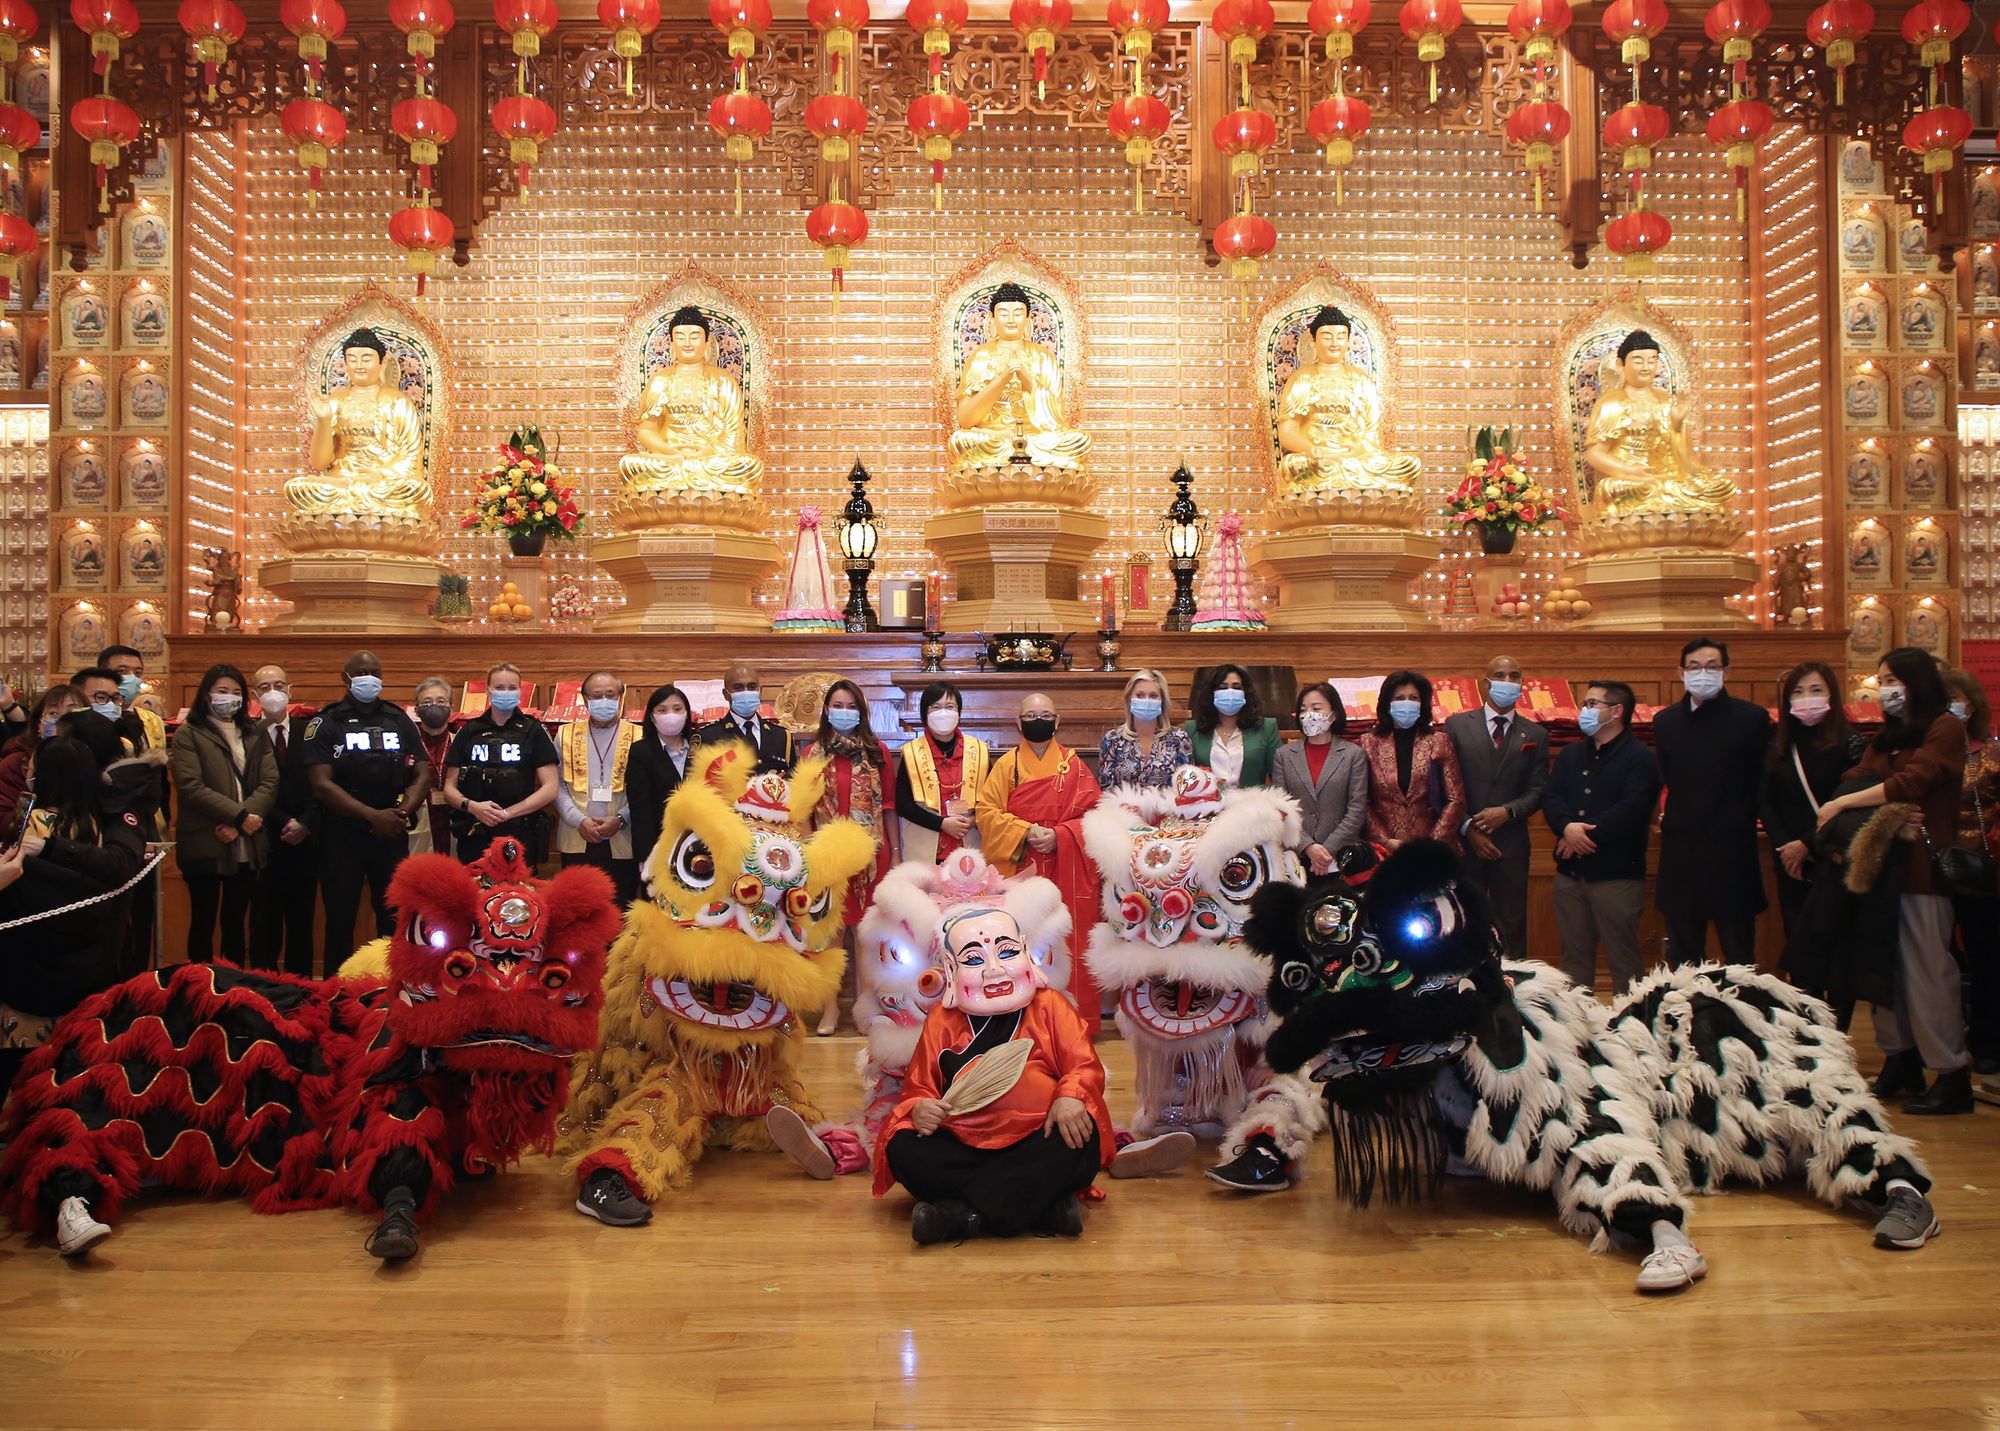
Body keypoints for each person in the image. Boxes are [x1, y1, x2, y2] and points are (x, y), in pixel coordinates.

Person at [872, 903, 1114, 1243]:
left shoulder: (1050, 1007)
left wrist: (1070, 1096)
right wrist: (922, 1108)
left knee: (1078, 1138)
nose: (994, 970)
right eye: (974, 959)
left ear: (1026, 950)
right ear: (951, 967)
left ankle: (961, 1217)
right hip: (964, 1142)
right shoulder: (943, 1020)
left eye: (1007, 952)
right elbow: (919, 1089)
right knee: (903, 1146)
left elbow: (1083, 1065)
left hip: (1036, 1138)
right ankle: (1041, 1208)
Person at [1817, 652, 1971, 1114]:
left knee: (1927, 974)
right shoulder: (1890, 735)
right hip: (1880, 870)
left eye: (1894, 680)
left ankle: (1950, 1072)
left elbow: (1913, 782)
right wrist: (1868, 796)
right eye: (1881, 680)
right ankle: (1900, 1059)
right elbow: (1858, 776)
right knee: (1882, 970)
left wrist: (1845, 805)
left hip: (1921, 872)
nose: (1886, 688)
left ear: (1918, 682)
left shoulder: (1944, 726)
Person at [0, 734, 147, 1089]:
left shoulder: (35, 825)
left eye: (32, 770)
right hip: (92, 965)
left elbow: (26, 890)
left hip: (29, 968)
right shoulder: (104, 822)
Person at [976, 693, 1105, 1034]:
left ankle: (1072, 1023)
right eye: (1030, 715)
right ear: (1018, 723)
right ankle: (1022, 1022)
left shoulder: (1073, 765)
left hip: (1065, 865)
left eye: (1045, 714)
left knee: (1066, 939)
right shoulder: (1006, 766)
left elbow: (1095, 815)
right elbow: (986, 813)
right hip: (1022, 868)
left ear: (1057, 721)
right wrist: (1024, 830)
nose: (1038, 720)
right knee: (1022, 940)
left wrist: (1061, 834)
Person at [303, 650, 431, 964]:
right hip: (342, 831)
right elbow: (321, 783)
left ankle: (390, 986)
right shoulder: (327, 721)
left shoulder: (397, 718)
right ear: (345, 678)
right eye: (360, 673)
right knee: (340, 917)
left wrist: (402, 811)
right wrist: (372, 816)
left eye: (374, 672)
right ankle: (338, 992)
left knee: (392, 917)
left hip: (391, 828)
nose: (368, 678)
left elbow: (423, 770)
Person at [1652, 636, 1771, 967]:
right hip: (1682, 851)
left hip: (1732, 850)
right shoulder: (1666, 722)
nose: (1702, 673)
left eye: (1711, 666)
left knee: (1739, 954)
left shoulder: (1751, 719)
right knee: (1684, 956)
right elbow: (1667, 779)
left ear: (1726, 672)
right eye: (1694, 667)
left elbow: (1762, 781)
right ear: (1681, 672)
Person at [1543, 680, 1663, 996]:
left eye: (1593, 703)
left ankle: (1632, 1030)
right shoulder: (1570, 754)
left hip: (1617, 875)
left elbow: (1633, 809)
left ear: (1617, 711)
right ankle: (1577, 1028)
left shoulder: (1640, 758)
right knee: (1574, 958)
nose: (1585, 709)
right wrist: (1567, 827)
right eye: (1585, 703)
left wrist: (1581, 833)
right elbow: (1552, 797)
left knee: (1624, 959)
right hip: (1570, 874)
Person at [169, 663, 278, 967]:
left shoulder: (254, 733)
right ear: (206, 695)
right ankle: (200, 986)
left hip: (247, 841)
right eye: (221, 691)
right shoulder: (189, 734)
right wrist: (239, 816)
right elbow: (191, 786)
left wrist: (242, 824)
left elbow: (270, 782)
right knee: (203, 921)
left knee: (236, 922)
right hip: (205, 840)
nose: (228, 697)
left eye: (235, 692)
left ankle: (234, 987)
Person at [1443, 654, 1549, 959]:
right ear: (1484, 682)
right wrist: (1468, 827)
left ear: (1522, 683)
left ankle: (1514, 992)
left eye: (1514, 676)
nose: (1507, 681)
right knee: (1463, 921)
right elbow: (1446, 786)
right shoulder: (1456, 725)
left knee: (1511, 926)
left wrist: (1508, 811)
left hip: (1511, 846)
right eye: (1500, 675)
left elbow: (1539, 789)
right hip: (1465, 844)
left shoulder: (1536, 734)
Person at [808, 680, 895, 1035]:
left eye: (850, 705)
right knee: (830, 933)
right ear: (827, 710)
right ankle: (830, 1010)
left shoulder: (878, 753)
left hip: (872, 854)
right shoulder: (812, 754)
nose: (844, 711)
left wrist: (896, 854)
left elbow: (888, 806)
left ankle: (866, 1008)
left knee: (866, 935)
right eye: (837, 705)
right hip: (826, 854)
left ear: (861, 711)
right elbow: (804, 809)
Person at [1759, 661, 1866, 944]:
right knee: (1799, 946)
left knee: (1838, 949)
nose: (1807, 698)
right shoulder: (1779, 744)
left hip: (1832, 856)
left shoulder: (1851, 742)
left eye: (1816, 689)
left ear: (1831, 694)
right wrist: (1786, 847)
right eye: (1799, 691)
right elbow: (1765, 801)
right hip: (1790, 862)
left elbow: (1847, 802)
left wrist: (1806, 844)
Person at [1940, 669, 1998, 1076]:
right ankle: (1945, 1042)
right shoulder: (1928, 749)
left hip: (1980, 868)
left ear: (1971, 704)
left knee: (1986, 957)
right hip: (1930, 868)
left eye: (1954, 699)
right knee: (1939, 960)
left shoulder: (1992, 753)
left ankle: (1988, 1042)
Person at [442, 662, 559, 865]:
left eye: (512, 688)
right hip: (475, 832)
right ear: (488, 691)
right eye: (499, 687)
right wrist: (473, 807)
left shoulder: (533, 730)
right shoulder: (469, 731)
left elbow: (550, 788)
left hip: (518, 831)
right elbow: (449, 789)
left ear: (520, 691)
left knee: (518, 895)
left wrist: (507, 814)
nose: (506, 693)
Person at [246, 663, 318, 978]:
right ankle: (263, 986)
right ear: (254, 694)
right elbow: (248, 787)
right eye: (264, 687)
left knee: (302, 921)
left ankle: (300, 989)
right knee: (264, 920)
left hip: (307, 839)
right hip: (263, 838)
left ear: (290, 689)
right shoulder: (247, 735)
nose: (272, 692)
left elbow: (324, 783)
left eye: (278, 685)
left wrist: (304, 822)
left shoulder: (310, 732)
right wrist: (280, 821)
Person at [1355, 669, 1466, 852]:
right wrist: (1385, 841)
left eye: (1413, 698)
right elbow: (1360, 801)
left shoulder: (1440, 741)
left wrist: (1433, 842)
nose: (1407, 703)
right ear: (1387, 703)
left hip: (1433, 849)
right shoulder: (1367, 743)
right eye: (1399, 698)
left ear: (1422, 703)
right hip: (1383, 851)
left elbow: (1456, 799)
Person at [555, 671, 640, 905]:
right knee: (577, 907)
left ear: (621, 697)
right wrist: (578, 819)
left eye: (610, 695)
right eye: (597, 695)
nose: (604, 701)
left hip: (623, 835)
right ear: (585, 699)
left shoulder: (639, 735)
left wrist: (622, 818)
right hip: (577, 834)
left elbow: (644, 791)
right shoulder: (565, 734)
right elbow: (555, 784)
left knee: (621, 906)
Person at [1271, 681, 1367, 876]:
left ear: (1334, 713)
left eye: (1316, 708)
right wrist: (1308, 846)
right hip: (1297, 857)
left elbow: (1356, 809)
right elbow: (1281, 808)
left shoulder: (1353, 754)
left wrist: (1326, 851)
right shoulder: (1284, 754)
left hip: (1340, 858)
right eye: (1303, 709)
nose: (1308, 714)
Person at [895, 680, 990, 866]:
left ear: (959, 713)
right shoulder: (911, 752)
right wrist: (942, 824)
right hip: (924, 849)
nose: (943, 712)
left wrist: (974, 820)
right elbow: (903, 804)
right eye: (936, 707)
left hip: (970, 848)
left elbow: (994, 801)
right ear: (924, 714)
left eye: (950, 706)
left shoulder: (979, 750)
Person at [627, 683, 693, 881]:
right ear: (652, 716)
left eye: (677, 709)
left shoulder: (701, 746)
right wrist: (646, 856)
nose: (670, 715)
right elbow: (640, 810)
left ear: (687, 713)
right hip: (660, 844)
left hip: (700, 843)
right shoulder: (641, 752)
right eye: (662, 710)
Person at [1187, 664, 1280, 789]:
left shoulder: (1267, 727)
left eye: (1236, 687)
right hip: (1208, 805)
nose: (1230, 692)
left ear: (1245, 692)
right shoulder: (1192, 729)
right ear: (1211, 693)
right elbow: (1186, 778)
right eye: (1222, 687)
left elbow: (1279, 778)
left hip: (1253, 804)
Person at [0, 684, 84, 823]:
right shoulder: (17, 762)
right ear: (39, 724)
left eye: (72, 713)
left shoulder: (96, 759)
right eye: (53, 714)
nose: (62, 721)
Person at [1097, 668, 1191, 790]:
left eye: (1153, 696)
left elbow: (1187, 788)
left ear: (1162, 701)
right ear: (1130, 700)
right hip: (1121, 807)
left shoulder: (1179, 738)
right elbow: (1105, 788)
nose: (1146, 700)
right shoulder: (1112, 739)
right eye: (1140, 695)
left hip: (1167, 807)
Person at [697, 661, 796, 773]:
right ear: (725, 694)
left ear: (759, 691)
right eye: (738, 687)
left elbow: (793, 780)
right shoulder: (708, 737)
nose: (746, 692)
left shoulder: (781, 736)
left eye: (752, 686)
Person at [407, 677, 456, 859]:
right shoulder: (408, 745)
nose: (434, 706)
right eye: (427, 702)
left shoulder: (460, 741)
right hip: (420, 820)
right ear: (417, 710)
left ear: (451, 707)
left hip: (454, 819)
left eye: (441, 701)